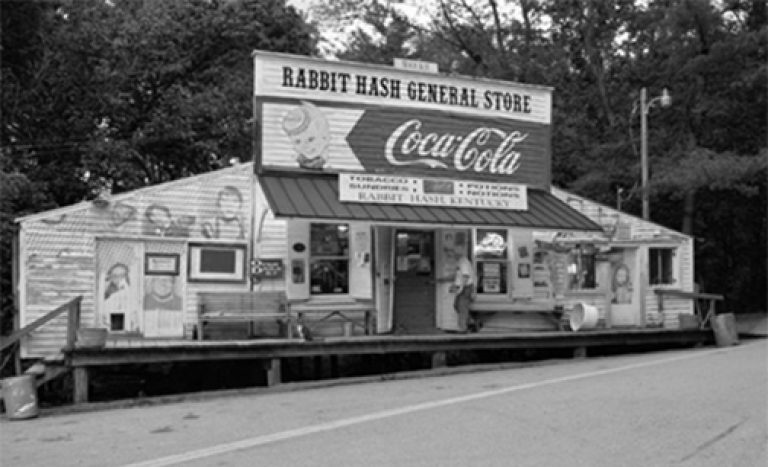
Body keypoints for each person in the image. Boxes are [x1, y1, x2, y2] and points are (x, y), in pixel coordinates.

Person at [448, 244, 475, 332]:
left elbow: (465, 276)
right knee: (456, 305)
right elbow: (458, 276)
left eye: (454, 253)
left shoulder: (463, 262)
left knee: (462, 307)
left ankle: (462, 328)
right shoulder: (459, 261)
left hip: (466, 287)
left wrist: (461, 288)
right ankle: (471, 322)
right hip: (463, 287)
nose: (452, 255)